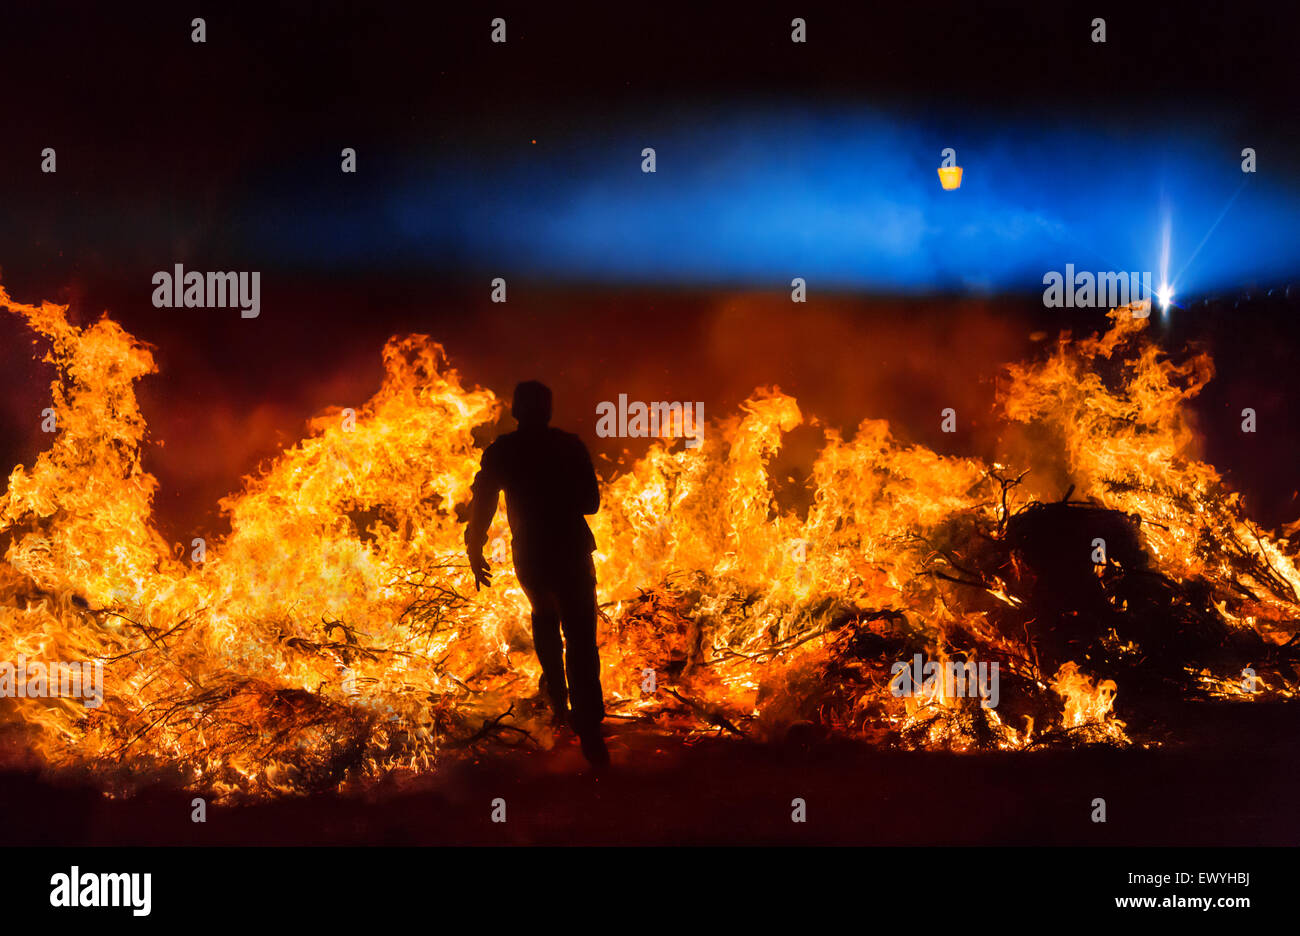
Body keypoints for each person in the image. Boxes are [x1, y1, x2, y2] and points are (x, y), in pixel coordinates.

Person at [465, 381, 609, 767]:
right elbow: (591, 504)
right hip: (571, 550)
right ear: (548, 411)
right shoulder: (569, 446)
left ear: (515, 412)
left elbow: (484, 499)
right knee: (580, 637)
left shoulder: (503, 452)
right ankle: (590, 730)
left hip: (530, 553)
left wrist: (474, 546)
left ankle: (558, 698)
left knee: (545, 616)